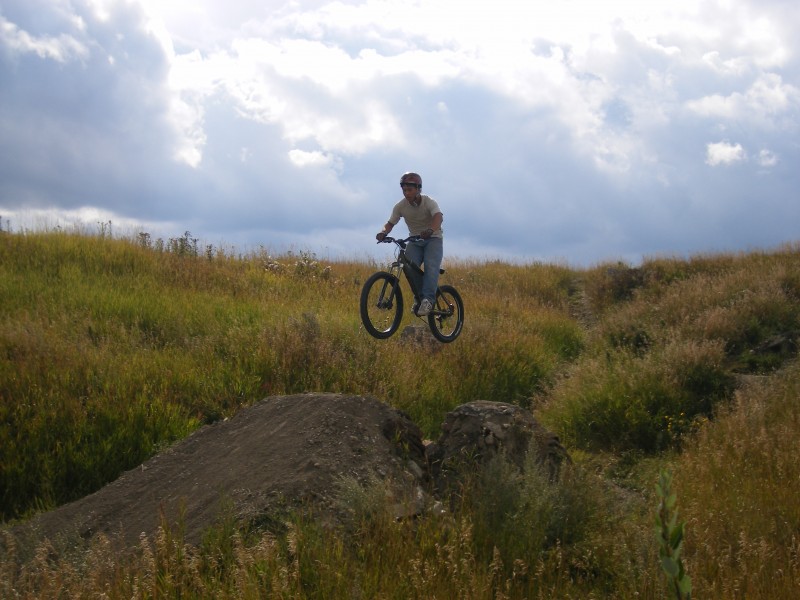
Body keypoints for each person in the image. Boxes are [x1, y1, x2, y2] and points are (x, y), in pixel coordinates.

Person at [375, 172, 444, 316]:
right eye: (404, 190)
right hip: (415, 240)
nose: (406, 193)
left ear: (418, 188)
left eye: (410, 190)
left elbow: (438, 217)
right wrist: (383, 232)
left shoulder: (429, 202)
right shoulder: (400, 206)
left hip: (433, 239)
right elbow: (390, 223)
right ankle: (420, 299)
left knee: (431, 266)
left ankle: (428, 300)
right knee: (408, 268)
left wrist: (431, 230)